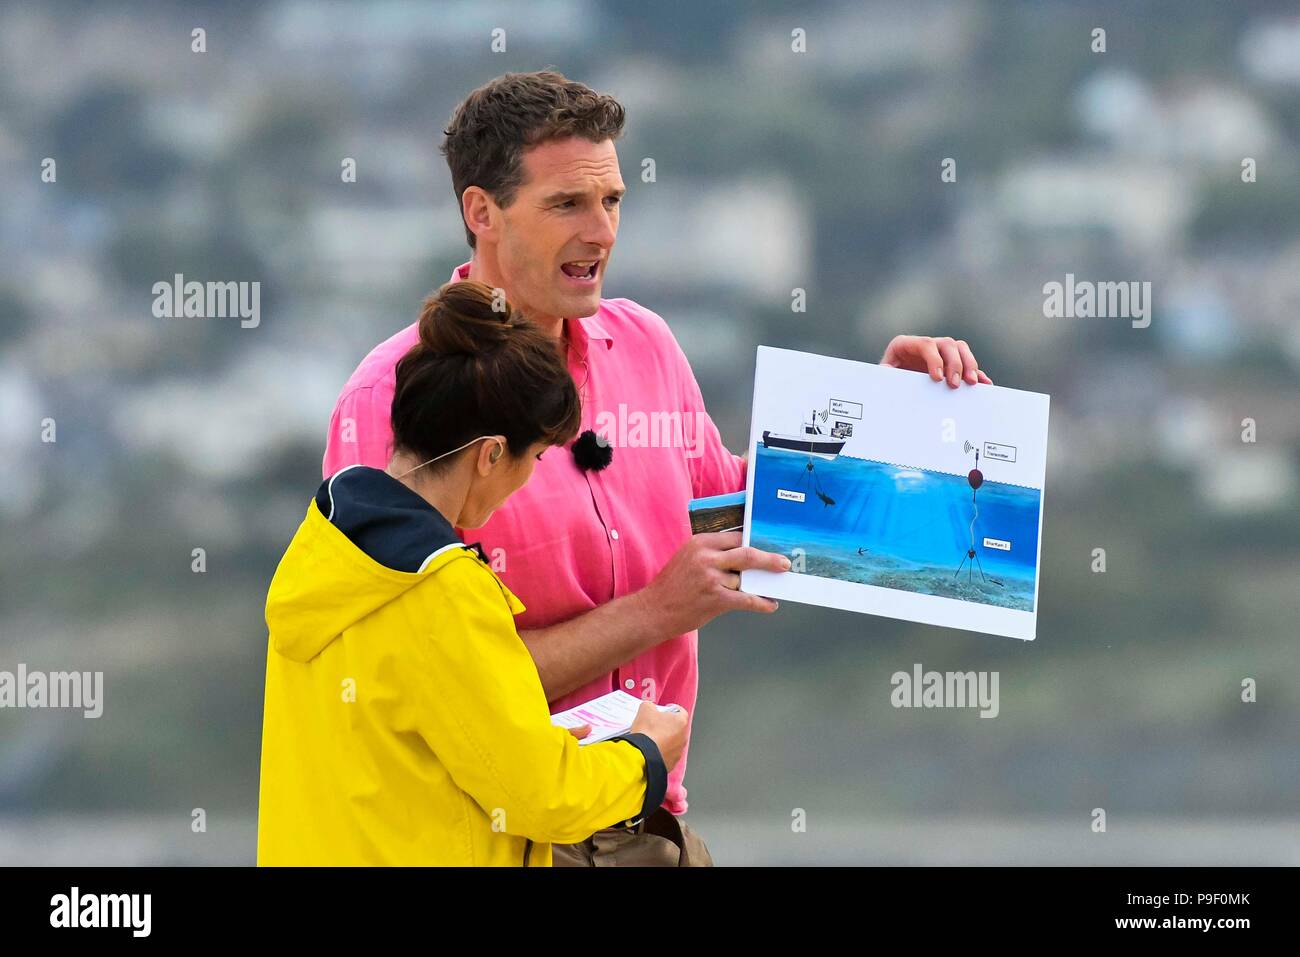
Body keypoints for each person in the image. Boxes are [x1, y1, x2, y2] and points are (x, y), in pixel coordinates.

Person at [323, 71, 991, 866]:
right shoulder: (394, 394)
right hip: (499, 843)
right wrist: (653, 611)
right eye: (567, 204)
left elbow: (752, 522)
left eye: (612, 201)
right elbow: (417, 682)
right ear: (481, 213)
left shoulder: (647, 345)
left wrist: (883, 414)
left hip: (655, 833)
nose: (601, 231)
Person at [258, 280, 689, 866]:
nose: (530, 478)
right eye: (534, 458)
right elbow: (543, 798)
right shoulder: (444, 593)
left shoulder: (325, 548)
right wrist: (646, 757)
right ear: (490, 454)